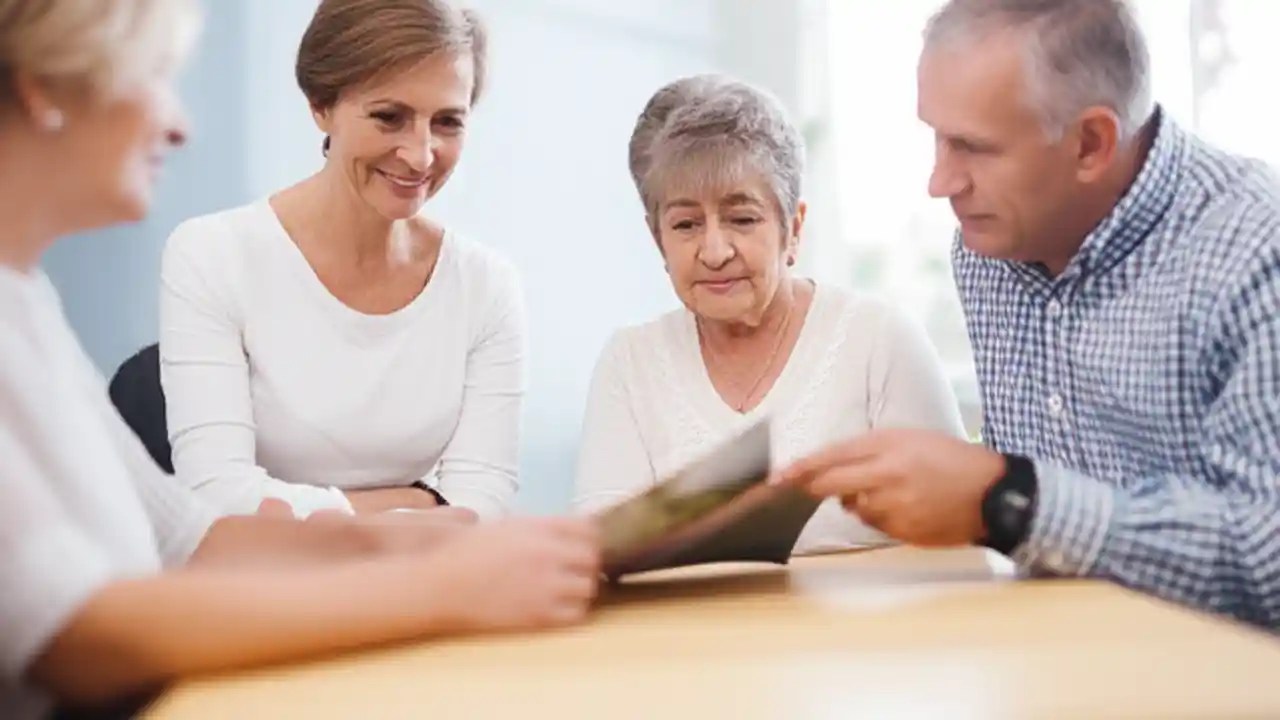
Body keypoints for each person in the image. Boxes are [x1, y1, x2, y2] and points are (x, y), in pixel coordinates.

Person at [0, 1, 598, 716]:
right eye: (155, 76)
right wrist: (439, 585)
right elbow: (74, 636)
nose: (180, 124)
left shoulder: (24, 306)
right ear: (44, 89)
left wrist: (449, 553)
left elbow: (197, 539)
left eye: (447, 120)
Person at [784, 0, 1280, 628]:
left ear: (1091, 143)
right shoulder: (989, 247)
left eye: (972, 147)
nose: (941, 182)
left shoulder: (1256, 250)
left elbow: (1268, 558)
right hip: (1054, 662)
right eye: (936, 136)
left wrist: (1010, 501)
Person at [573, 74, 966, 554]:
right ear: (658, 238)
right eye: (685, 225)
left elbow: (958, 527)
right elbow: (599, 552)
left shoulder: (880, 340)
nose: (714, 251)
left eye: (742, 218)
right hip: (693, 628)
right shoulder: (629, 360)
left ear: (792, 228)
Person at [160, 0, 522, 519]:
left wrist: (343, 513)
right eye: (389, 117)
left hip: (424, 584)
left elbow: (480, 506)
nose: (420, 155)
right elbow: (219, 497)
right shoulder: (212, 255)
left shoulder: (485, 285)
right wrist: (417, 500)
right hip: (265, 584)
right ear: (321, 105)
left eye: (447, 122)